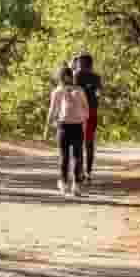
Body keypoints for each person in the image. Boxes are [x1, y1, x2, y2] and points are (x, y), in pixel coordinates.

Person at [46, 65, 90, 197]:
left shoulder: (59, 91)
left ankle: (66, 184)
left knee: (66, 156)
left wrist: (48, 126)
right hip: (74, 126)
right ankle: (74, 185)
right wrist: (82, 120)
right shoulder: (78, 90)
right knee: (75, 157)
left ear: (60, 77)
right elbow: (86, 109)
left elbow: (52, 110)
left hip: (66, 126)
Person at [74, 52, 103, 181]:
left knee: (80, 142)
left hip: (81, 112)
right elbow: (98, 93)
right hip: (90, 111)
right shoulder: (96, 77)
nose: (78, 64)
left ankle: (82, 171)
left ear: (85, 63)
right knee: (88, 142)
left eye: (79, 62)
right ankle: (87, 172)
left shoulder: (77, 75)